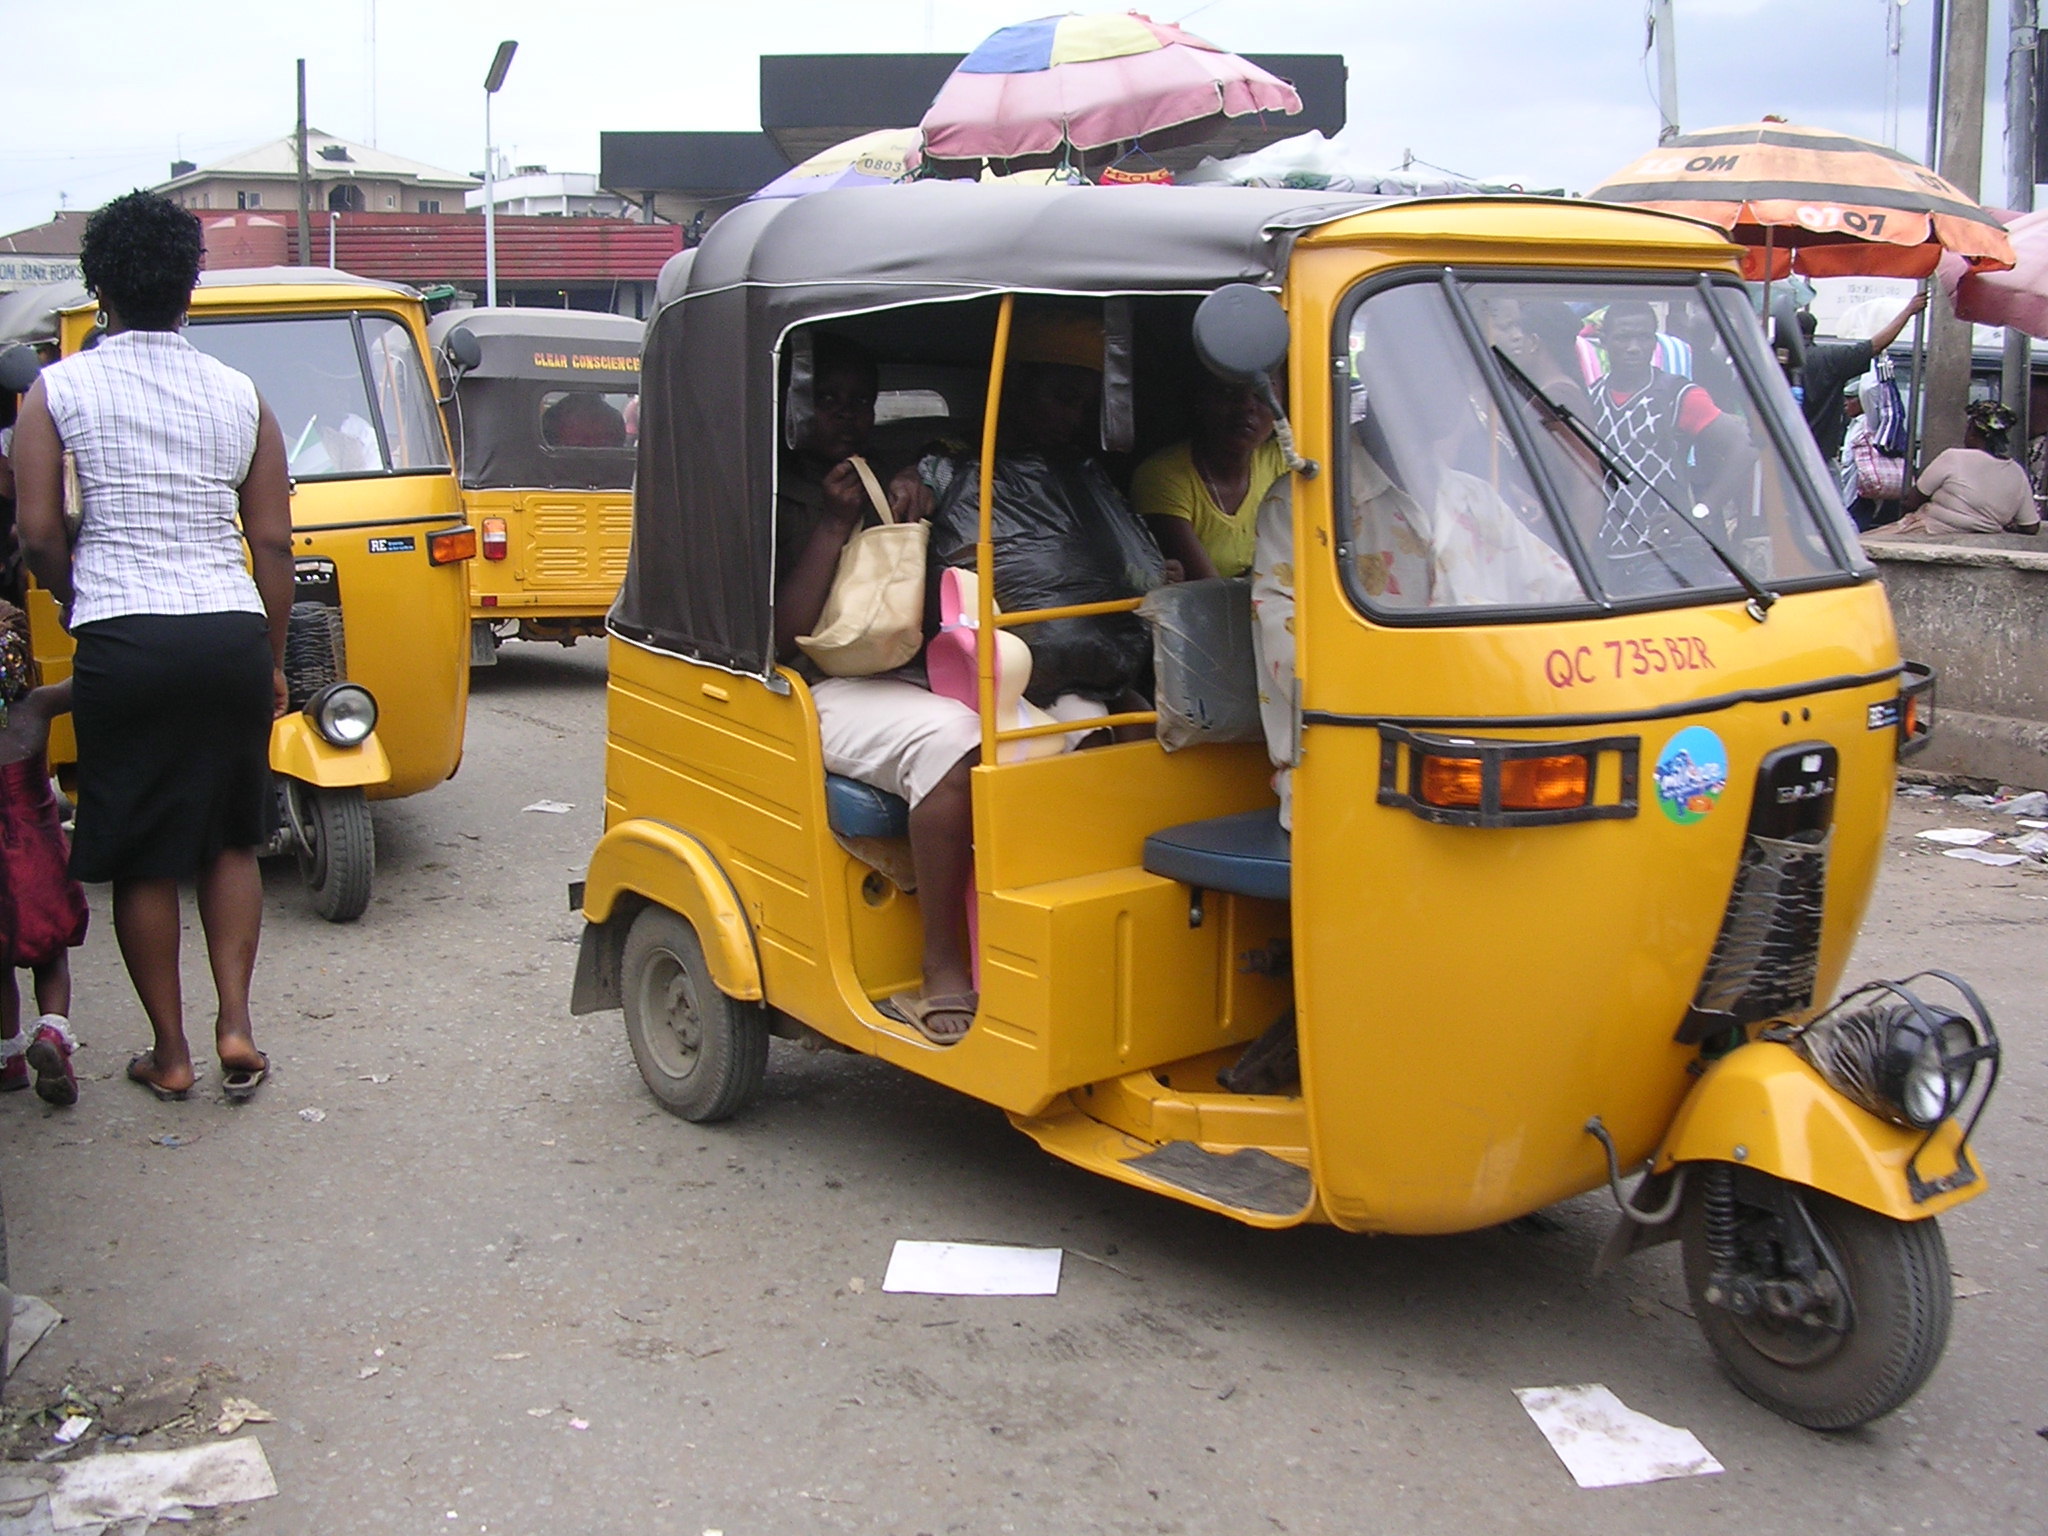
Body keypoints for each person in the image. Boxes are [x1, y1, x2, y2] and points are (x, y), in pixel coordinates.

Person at [10, 190, 293, 1103]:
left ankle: (169, 1054)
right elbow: (275, 546)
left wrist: (76, 591)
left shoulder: (59, 389)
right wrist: (275, 658)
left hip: (124, 637)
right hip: (229, 635)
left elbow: (41, 533)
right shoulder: (240, 394)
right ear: (191, 284)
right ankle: (237, 1027)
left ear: (99, 287)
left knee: (142, 851)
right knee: (231, 838)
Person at [773, 333, 982, 1047]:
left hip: (902, 668)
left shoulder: (895, 475)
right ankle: (941, 965)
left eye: (859, 402)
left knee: (1063, 725)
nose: (844, 416)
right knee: (953, 744)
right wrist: (836, 524)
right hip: (809, 686)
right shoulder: (776, 489)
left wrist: (913, 518)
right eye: (825, 400)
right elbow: (783, 640)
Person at [1588, 300, 1753, 589]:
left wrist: (1699, 513)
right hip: (1606, 558)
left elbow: (1745, 446)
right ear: (1604, 341)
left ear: (1655, 341)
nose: (1634, 347)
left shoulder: (1677, 396)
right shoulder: (1592, 397)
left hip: (1665, 559)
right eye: (1623, 337)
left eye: (1643, 337)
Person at [0, 602, 87, 1106]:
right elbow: (90, 679)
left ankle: (8, 1057)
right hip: (37, 859)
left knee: (1, 966)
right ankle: (52, 1035)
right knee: (49, 957)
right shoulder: (36, 706)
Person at [1132, 371, 1287, 579]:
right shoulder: (1163, 476)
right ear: (1202, 401)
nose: (1246, 406)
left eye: (1262, 393)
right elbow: (1211, 588)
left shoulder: (1285, 460)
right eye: (1229, 392)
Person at [1797, 292, 1926, 463]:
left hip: (1778, 455)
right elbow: (1876, 345)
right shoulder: (1830, 358)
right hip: (1820, 457)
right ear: (1813, 332)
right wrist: (1908, 311)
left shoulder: (1769, 359)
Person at [1889, 400, 2041, 536]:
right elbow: (2031, 527)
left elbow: (1911, 501)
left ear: (1973, 433)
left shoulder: (1953, 458)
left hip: (1931, 531)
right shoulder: (2016, 472)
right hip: (1985, 539)